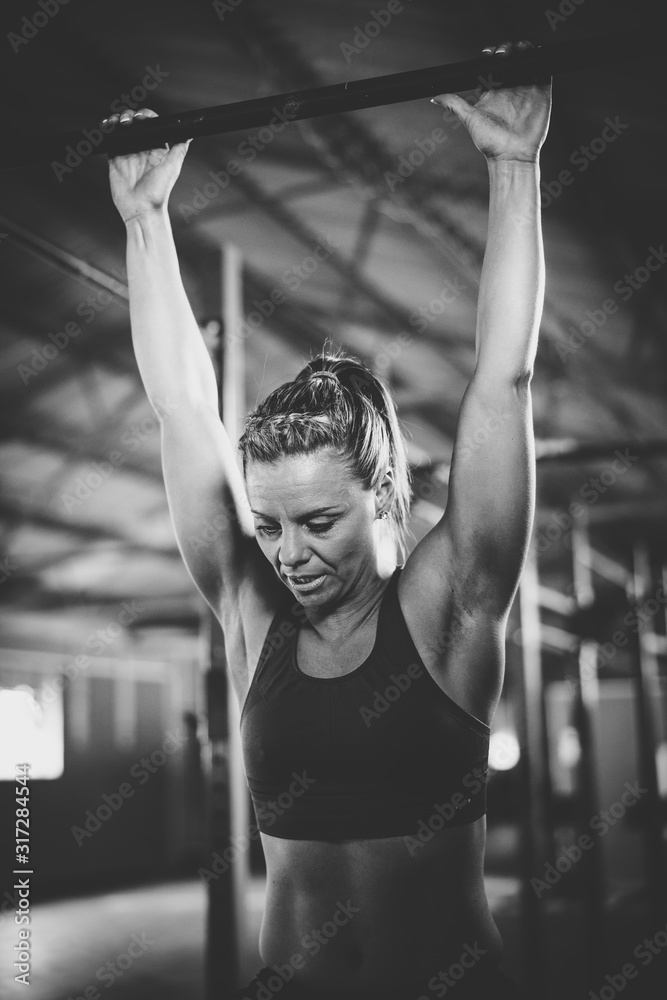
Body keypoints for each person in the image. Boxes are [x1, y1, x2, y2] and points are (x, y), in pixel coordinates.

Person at [104, 38, 551, 1000]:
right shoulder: (252, 617)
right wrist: (146, 221)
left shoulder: (451, 604)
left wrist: (514, 165)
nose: (288, 554)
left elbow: (502, 380)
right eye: (268, 527)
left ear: (383, 498)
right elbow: (182, 410)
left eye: (316, 522)